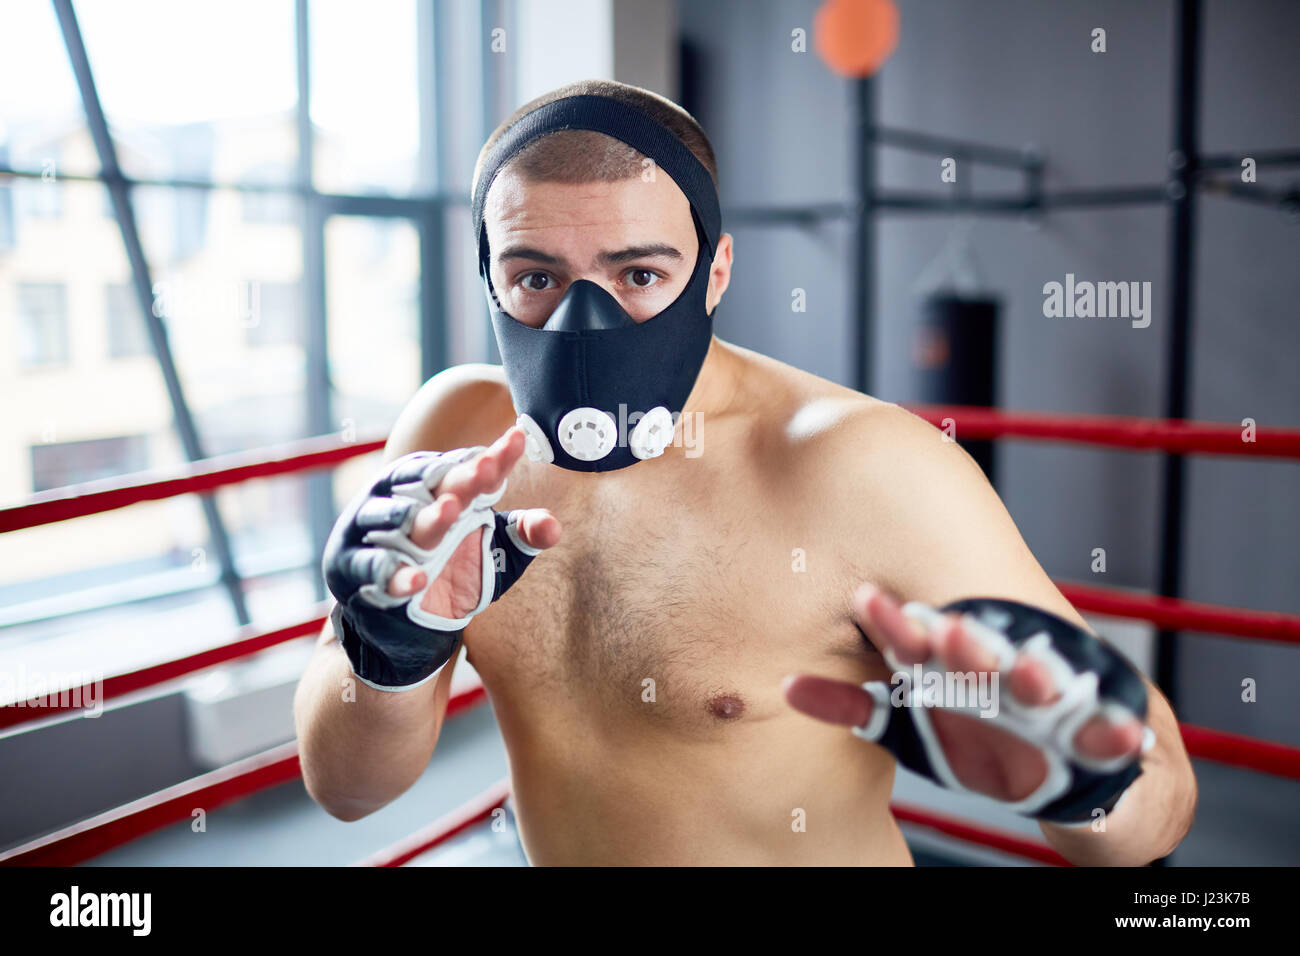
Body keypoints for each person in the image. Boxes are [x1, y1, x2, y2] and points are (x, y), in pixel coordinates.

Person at [294, 79, 1197, 865]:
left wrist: (1090, 780)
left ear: (716, 271)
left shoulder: (861, 467)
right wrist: (390, 656)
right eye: (536, 278)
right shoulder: (455, 435)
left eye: (639, 273)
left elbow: (1160, 808)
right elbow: (345, 789)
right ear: (489, 279)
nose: (582, 321)